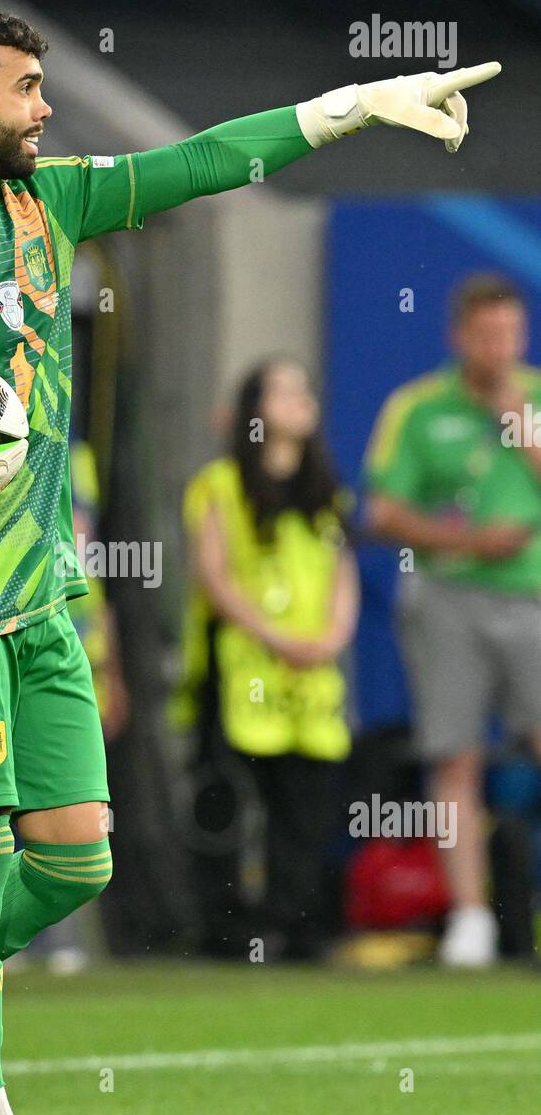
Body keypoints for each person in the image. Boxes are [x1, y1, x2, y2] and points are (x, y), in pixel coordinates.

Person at [0, 6, 499, 1115]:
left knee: (76, 862)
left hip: (40, 589)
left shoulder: (53, 207)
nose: (47, 107)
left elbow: (196, 165)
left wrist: (344, 110)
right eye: (28, 87)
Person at [365, 273, 541, 967]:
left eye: (509, 334)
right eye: (484, 334)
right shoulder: (416, 407)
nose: (497, 347)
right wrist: (467, 542)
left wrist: (521, 426)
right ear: (457, 336)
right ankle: (469, 916)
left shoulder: (534, 396)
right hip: (445, 596)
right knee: (455, 754)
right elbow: (380, 512)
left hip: (531, 594)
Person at [180, 358, 358, 959]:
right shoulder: (220, 486)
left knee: (303, 804)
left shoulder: (326, 495)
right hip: (239, 670)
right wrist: (275, 637)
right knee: (228, 798)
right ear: (254, 409)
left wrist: (331, 636)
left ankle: (298, 924)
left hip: (309, 679)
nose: (299, 400)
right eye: (283, 390)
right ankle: (226, 930)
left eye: (304, 389)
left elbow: (342, 574)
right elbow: (217, 577)